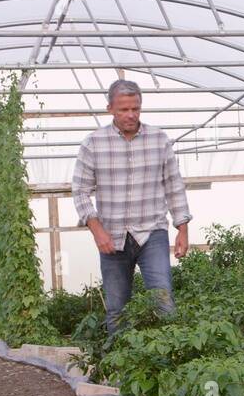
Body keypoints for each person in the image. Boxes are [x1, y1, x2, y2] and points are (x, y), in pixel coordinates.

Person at [72, 79, 192, 335]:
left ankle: (167, 364)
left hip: (152, 233)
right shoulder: (93, 143)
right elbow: (80, 191)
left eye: (135, 109)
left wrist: (182, 229)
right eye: (123, 110)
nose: (130, 115)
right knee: (116, 307)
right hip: (111, 237)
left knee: (163, 302)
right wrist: (97, 230)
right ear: (110, 109)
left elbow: (174, 185)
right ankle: (120, 369)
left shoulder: (159, 140)